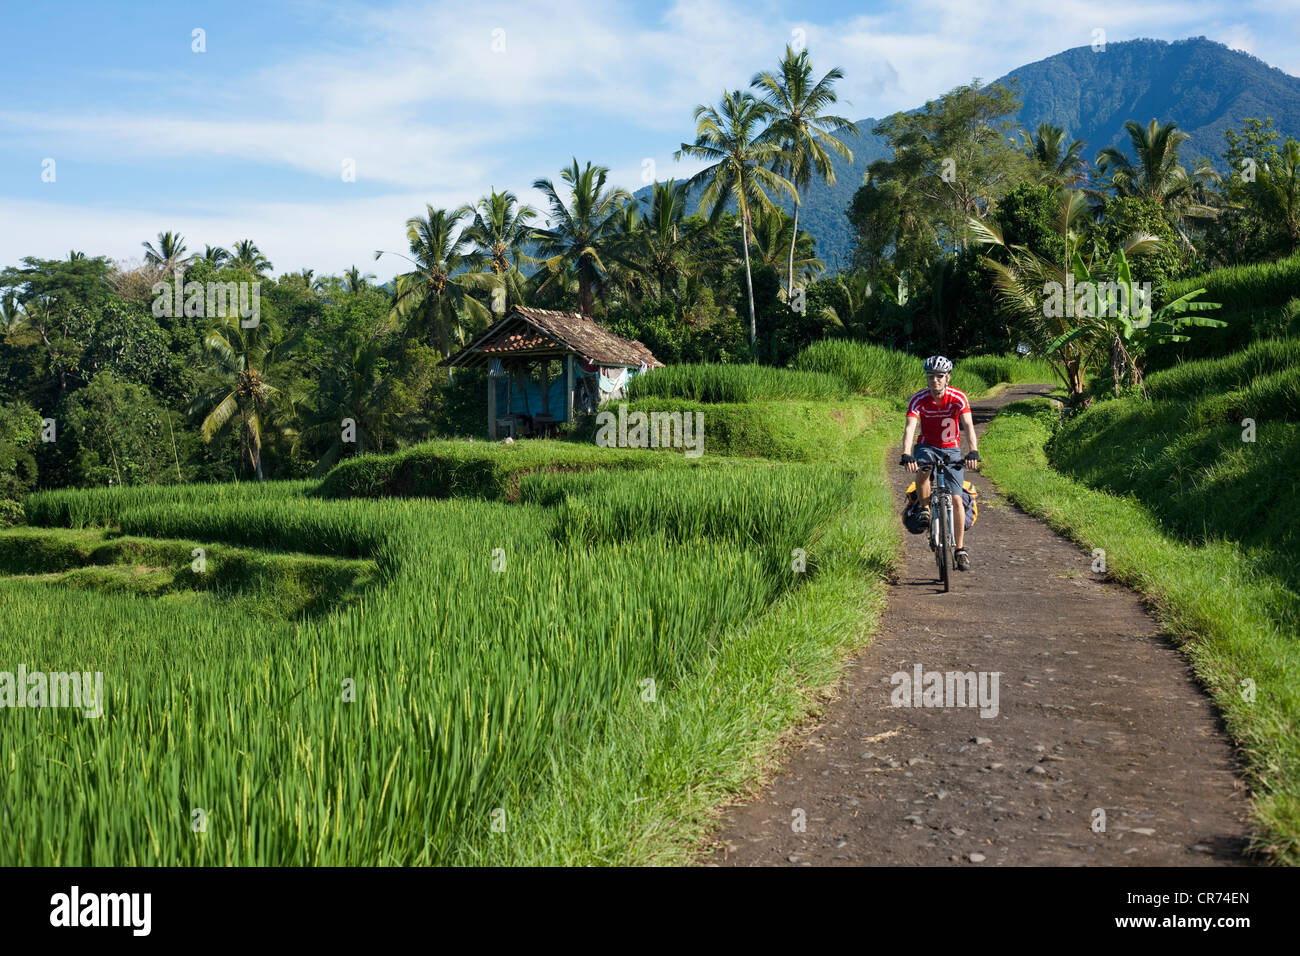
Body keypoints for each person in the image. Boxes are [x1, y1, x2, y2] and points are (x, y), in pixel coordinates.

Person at [899, 355, 981, 570]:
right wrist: (907, 453)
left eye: (939, 376)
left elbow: (969, 426)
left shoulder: (958, 398)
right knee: (923, 468)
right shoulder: (918, 399)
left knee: (955, 499)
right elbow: (910, 428)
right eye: (930, 376)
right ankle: (925, 509)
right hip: (927, 446)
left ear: (947, 377)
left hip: (951, 449)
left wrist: (973, 451)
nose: (935, 380)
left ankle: (960, 549)